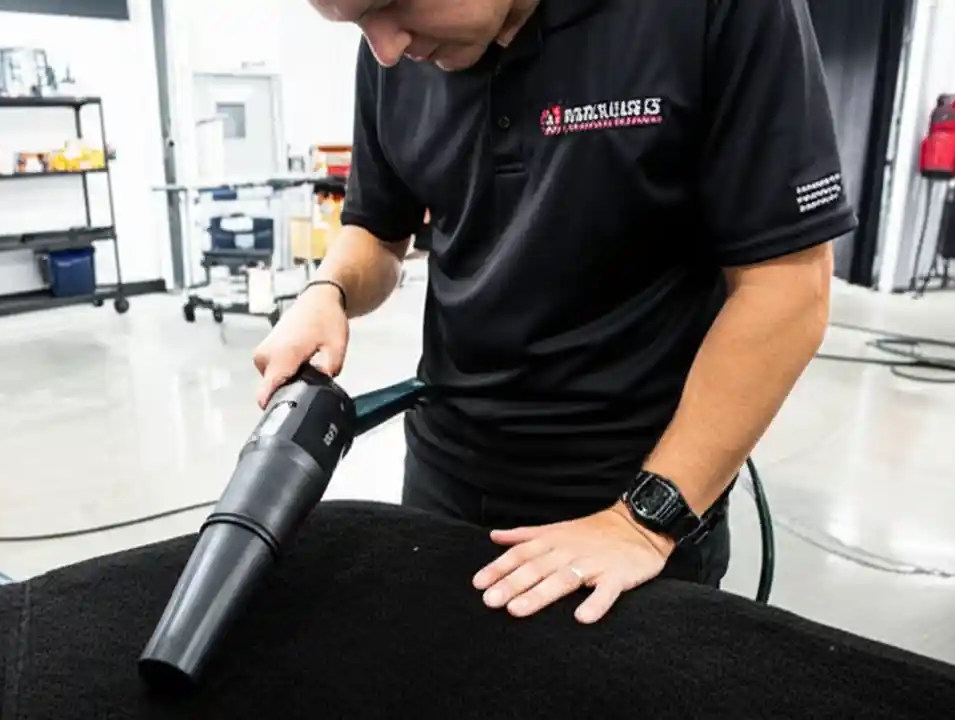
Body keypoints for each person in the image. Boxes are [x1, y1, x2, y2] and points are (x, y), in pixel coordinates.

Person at [255, 0, 855, 624]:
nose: (383, 46)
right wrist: (328, 290)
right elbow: (378, 232)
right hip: (445, 477)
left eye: (391, 2)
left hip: (630, 496)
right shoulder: (395, 52)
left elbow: (787, 287)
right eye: (356, 21)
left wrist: (644, 521)